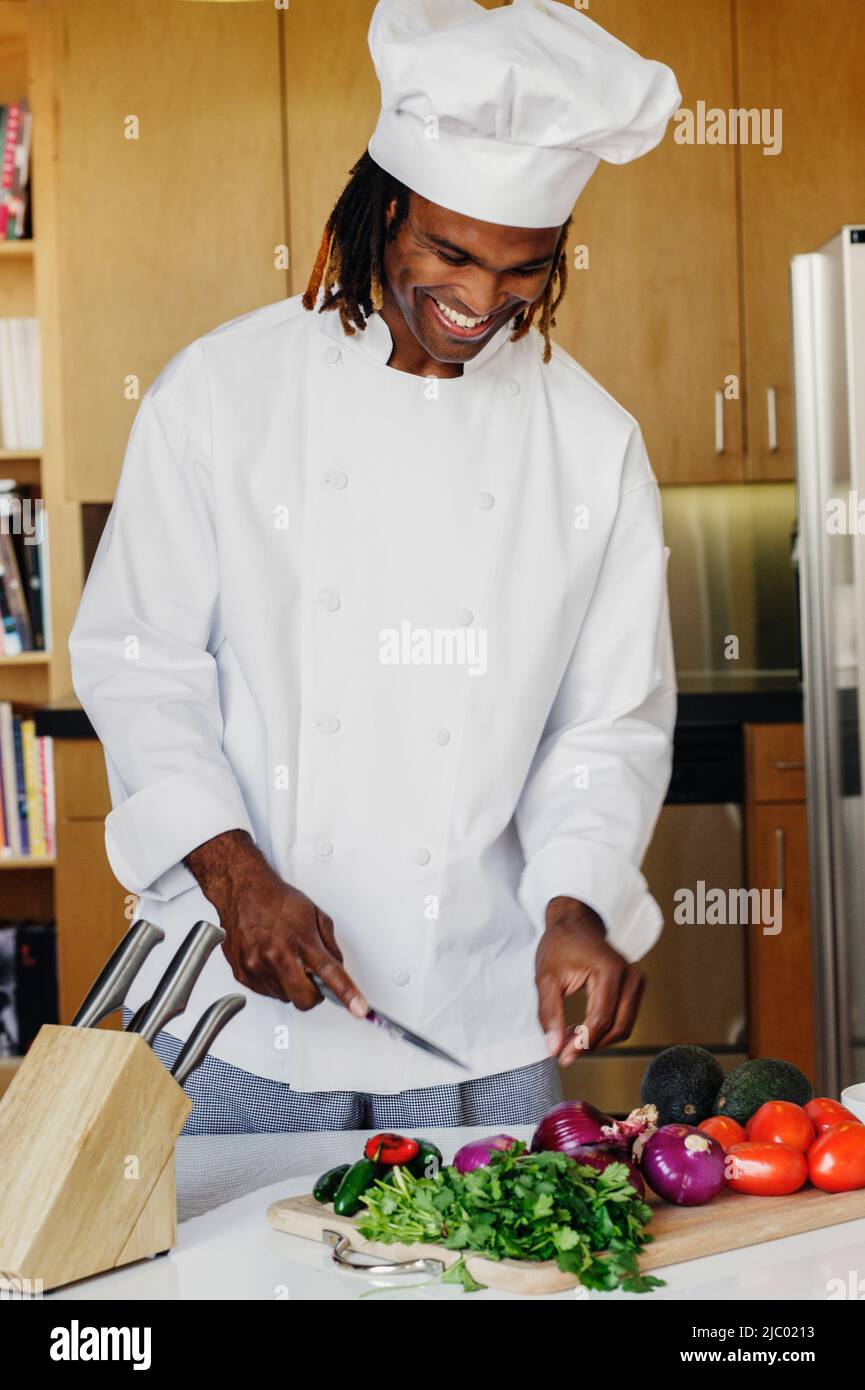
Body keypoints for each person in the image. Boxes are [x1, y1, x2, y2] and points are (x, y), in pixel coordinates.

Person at [69, 0, 680, 1134]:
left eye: (522, 270)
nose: (481, 301)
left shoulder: (591, 442)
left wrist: (576, 902)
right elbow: (142, 664)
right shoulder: (220, 396)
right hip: (241, 1015)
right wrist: (232, 873)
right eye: (450, 253)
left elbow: (606, 726)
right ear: (382, 206)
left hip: (482, 1015)